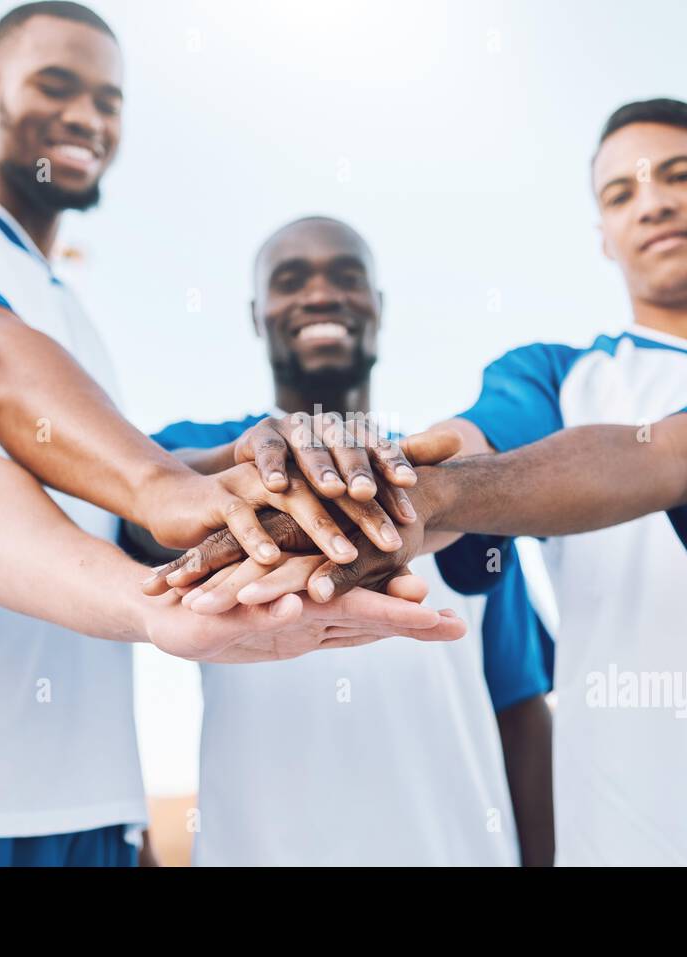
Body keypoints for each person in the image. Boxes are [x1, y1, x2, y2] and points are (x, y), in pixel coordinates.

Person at [172, 19, 687, 865]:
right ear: (602, 232)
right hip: (643, 834)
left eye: (680, 175)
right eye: (622, 193)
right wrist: (368, 494)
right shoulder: (556, 379)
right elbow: (455, 459)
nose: (656, 203)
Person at [0, 4, 466, 867]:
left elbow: (115, 494)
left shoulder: (75, 316)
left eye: (109, 99)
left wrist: (262, 461)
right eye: (56, 85)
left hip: (92, 813)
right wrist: (170, 483)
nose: (86, 118)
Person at [147, 216, 554, 865]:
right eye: (290, 280)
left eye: (346, 276)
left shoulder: (450, 482)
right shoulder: (199, 472)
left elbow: (521, 701)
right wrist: (232, 463)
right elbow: (142, 504)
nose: (320, 294)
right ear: (258, 315)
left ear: (379, 307)